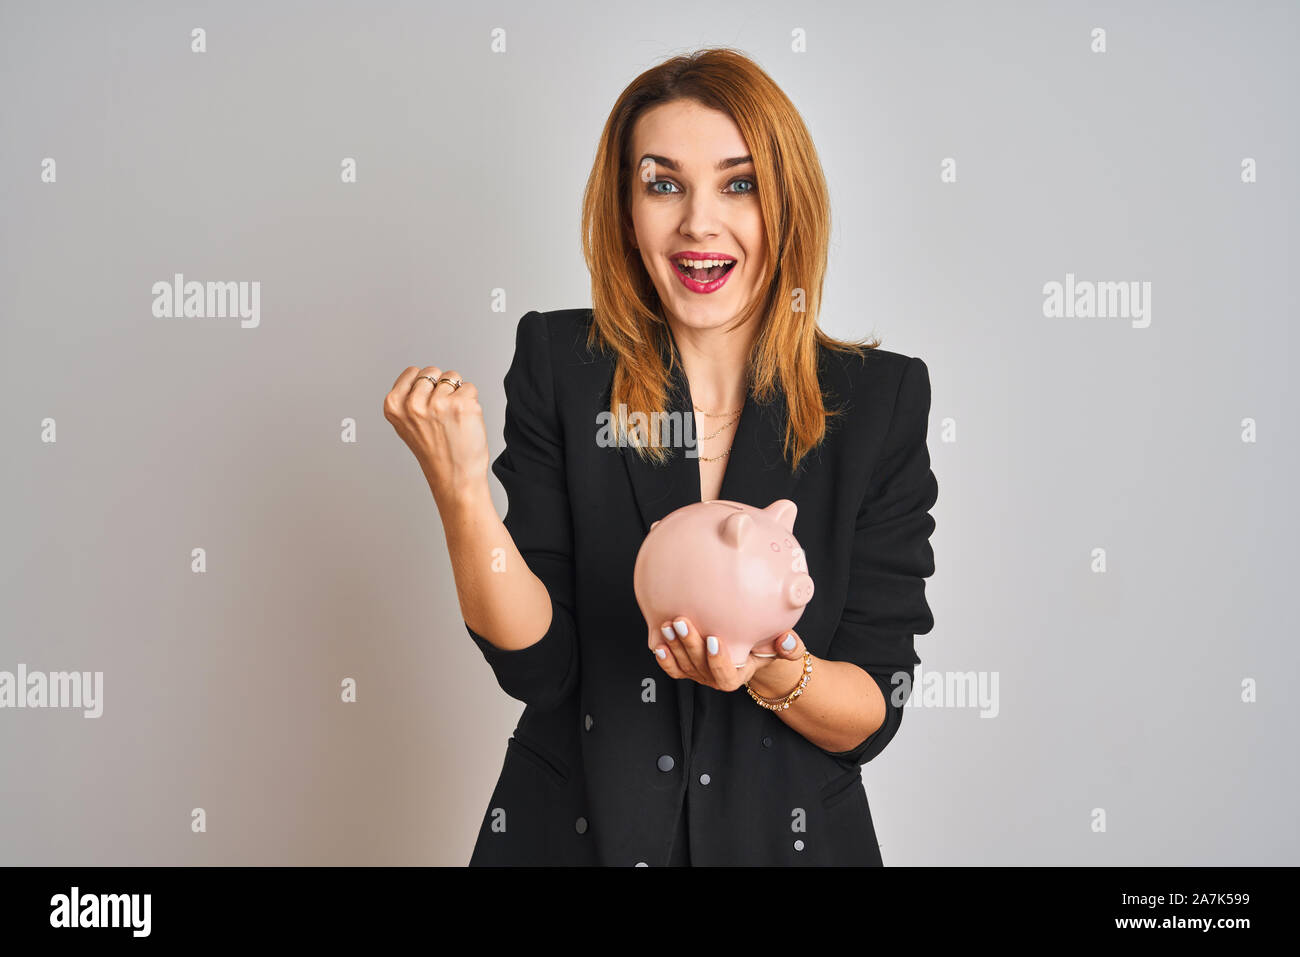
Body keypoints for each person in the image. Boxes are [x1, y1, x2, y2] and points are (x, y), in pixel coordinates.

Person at [383, 48, 938, 866]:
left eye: (738, 183)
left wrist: (765, 671)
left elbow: (874, 705)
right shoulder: (561, 363)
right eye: (663, 183)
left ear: (788, 204)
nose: (698, 222)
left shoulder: (878, 402)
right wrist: (461, 492)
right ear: (626, 206)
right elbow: (540, 665)